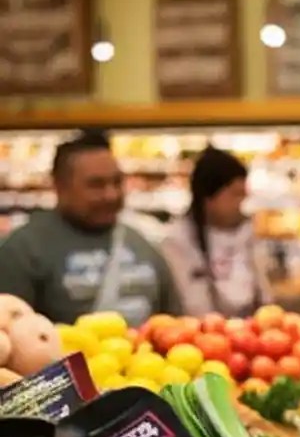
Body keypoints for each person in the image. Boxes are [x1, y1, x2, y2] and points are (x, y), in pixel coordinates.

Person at [0, 130, 182, 326]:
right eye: (96, 185)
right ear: (60, 187)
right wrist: (84, 357)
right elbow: (14, 340)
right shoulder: (23, 249)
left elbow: (173, 323)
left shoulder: (144, 243)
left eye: (116, 182)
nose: (111, 195)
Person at [160, 146, 273, 318]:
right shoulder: (177, 241)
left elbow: (264, 295)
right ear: (208, 198)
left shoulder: (248, 233)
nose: (241, 203)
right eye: (235, 195)